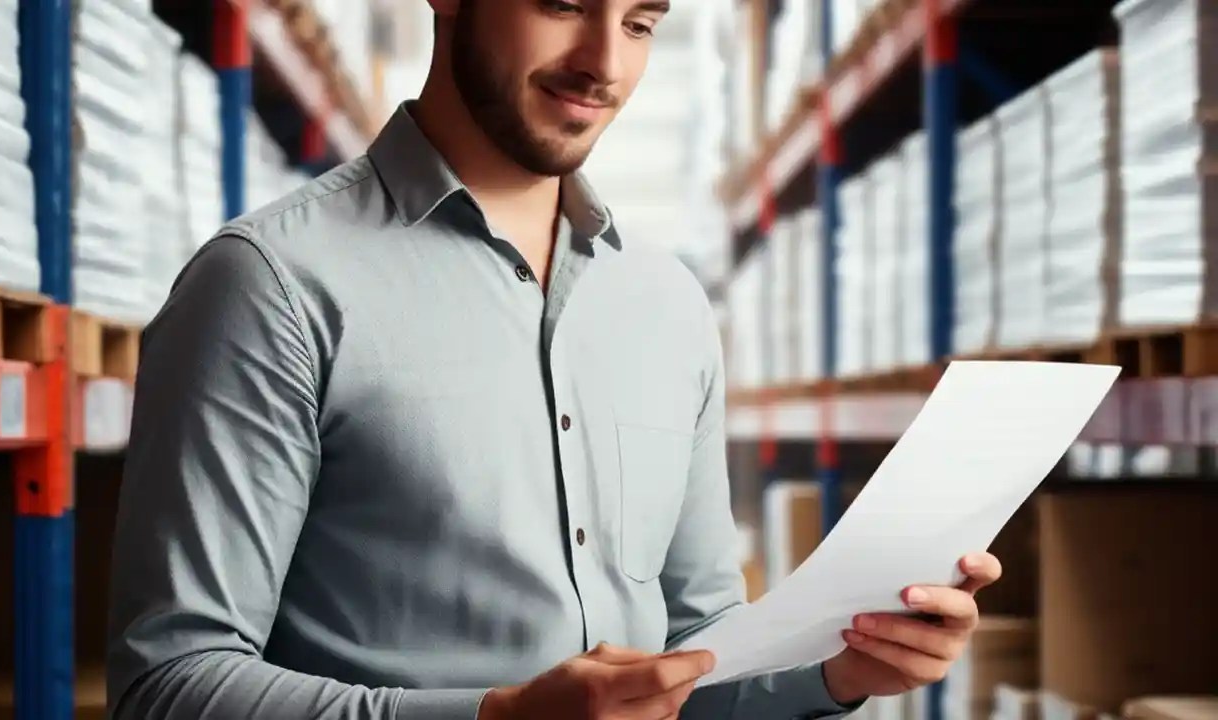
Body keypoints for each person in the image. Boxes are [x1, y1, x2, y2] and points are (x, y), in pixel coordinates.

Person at [107, 1, 1003, 718]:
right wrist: (496, 719)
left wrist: (844, 668)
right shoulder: (269, 286)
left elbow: (699, 648)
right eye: (564, 6)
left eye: (640, 25)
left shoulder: (669, 305)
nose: (603, 65)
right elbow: (173, 685)